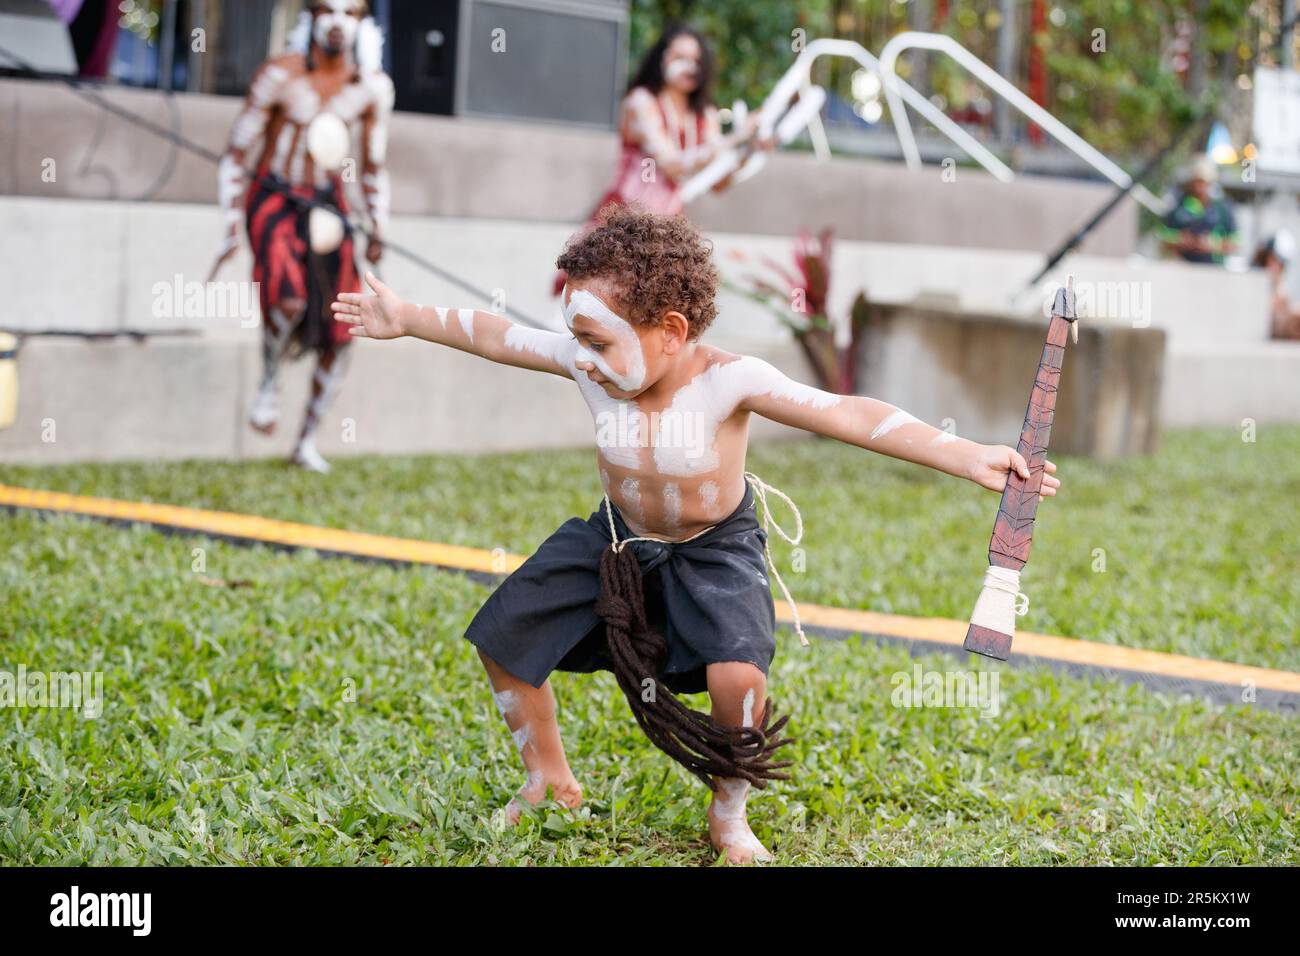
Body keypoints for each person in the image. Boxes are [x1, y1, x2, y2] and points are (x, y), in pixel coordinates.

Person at [332, 208, 1062, 864]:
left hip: (714, 547)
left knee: (738, 675)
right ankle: (549, 782)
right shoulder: (587, 366)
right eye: (576, 338)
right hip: (617, 540)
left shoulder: (729, 381)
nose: (580, 354)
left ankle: (729, 812)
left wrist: (967, 455)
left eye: (595, 339)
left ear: (672, 331)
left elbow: (848, 414)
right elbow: (495, 334)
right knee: (503, 638)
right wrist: (406, 317)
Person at [215, 1, 394, 472]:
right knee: (289, 298)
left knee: (346, 322)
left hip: (329, 202)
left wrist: (378, 225)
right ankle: (270, 379)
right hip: (273, 196)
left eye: (350, 12)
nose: (337, 21)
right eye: (327, 9)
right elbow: (235, 154)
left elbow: (373, 167)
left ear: (361, 23)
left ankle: (305, 442)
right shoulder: (279, 76)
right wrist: (230, 225)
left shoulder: (372, 88)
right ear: (312, 18)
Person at [552, 24, 766, 295]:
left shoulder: (705, 114)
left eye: (696, 61)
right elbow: (673, 164)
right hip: (623, 223)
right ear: (661, 60)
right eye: (679, 58)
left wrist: (749, 150)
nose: (688, 67)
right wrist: (734, 138)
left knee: (648, 310)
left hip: (666, 232)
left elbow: (716, 182)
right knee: (597, 299)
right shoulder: (642, 101)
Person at [1158, 156, 1239, 265]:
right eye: (1195, 182)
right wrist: (1181, 241)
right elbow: (1163, 241)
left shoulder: (1222, 209)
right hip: (1182, 268)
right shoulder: (1177, 206)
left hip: (1214, 271)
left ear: (1210, 182)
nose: (1198, 187)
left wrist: (1211, 244)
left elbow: (1234, 243)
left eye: (1202, 182)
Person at [1252, 230, 1300, 340]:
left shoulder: (1279, 283)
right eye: (1273, 259)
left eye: (1281, 264)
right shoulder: (1252, 279)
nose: (1276, 266)